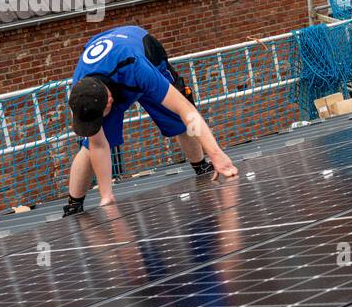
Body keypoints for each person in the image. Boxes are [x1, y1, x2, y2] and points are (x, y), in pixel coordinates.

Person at [62, 25, 237, 216]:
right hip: (108, 71)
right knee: (89, 145)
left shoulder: (137, 68)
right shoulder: (84, 93)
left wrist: (217, 154)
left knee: (178, 118)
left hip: (141, 51)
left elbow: (186, 110)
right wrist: (106, 195)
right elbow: (98, 145)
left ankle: (201, 165)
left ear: (110, 101)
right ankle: (73, 205)